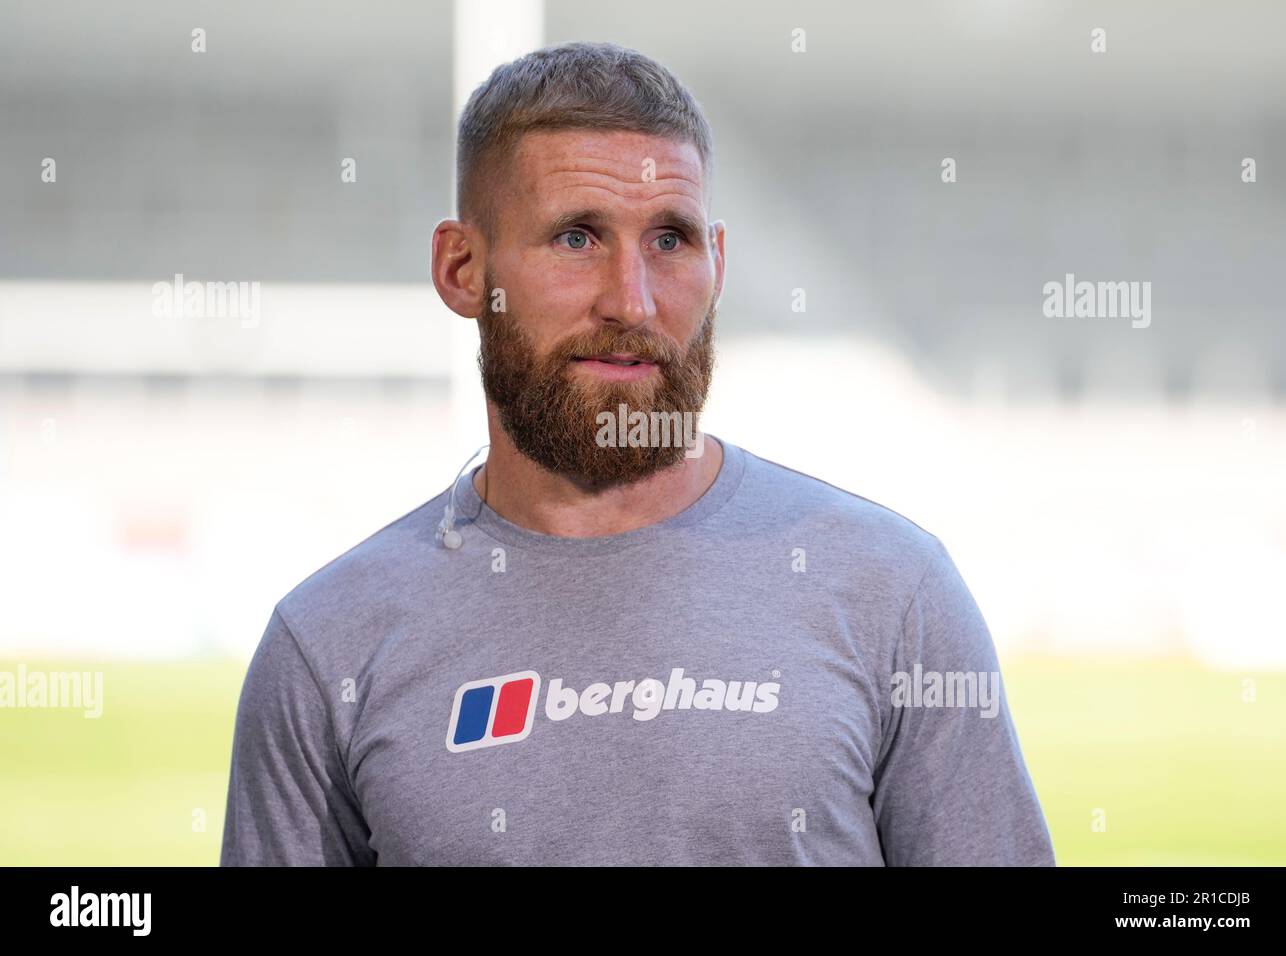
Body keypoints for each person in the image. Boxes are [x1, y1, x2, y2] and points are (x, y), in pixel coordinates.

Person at [220, 41, 1055, 866]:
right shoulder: (328, 645)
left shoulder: (894, 594)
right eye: (576, 238)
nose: (633, 301)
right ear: (462, 268)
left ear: (717, 262)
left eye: (669, 240)